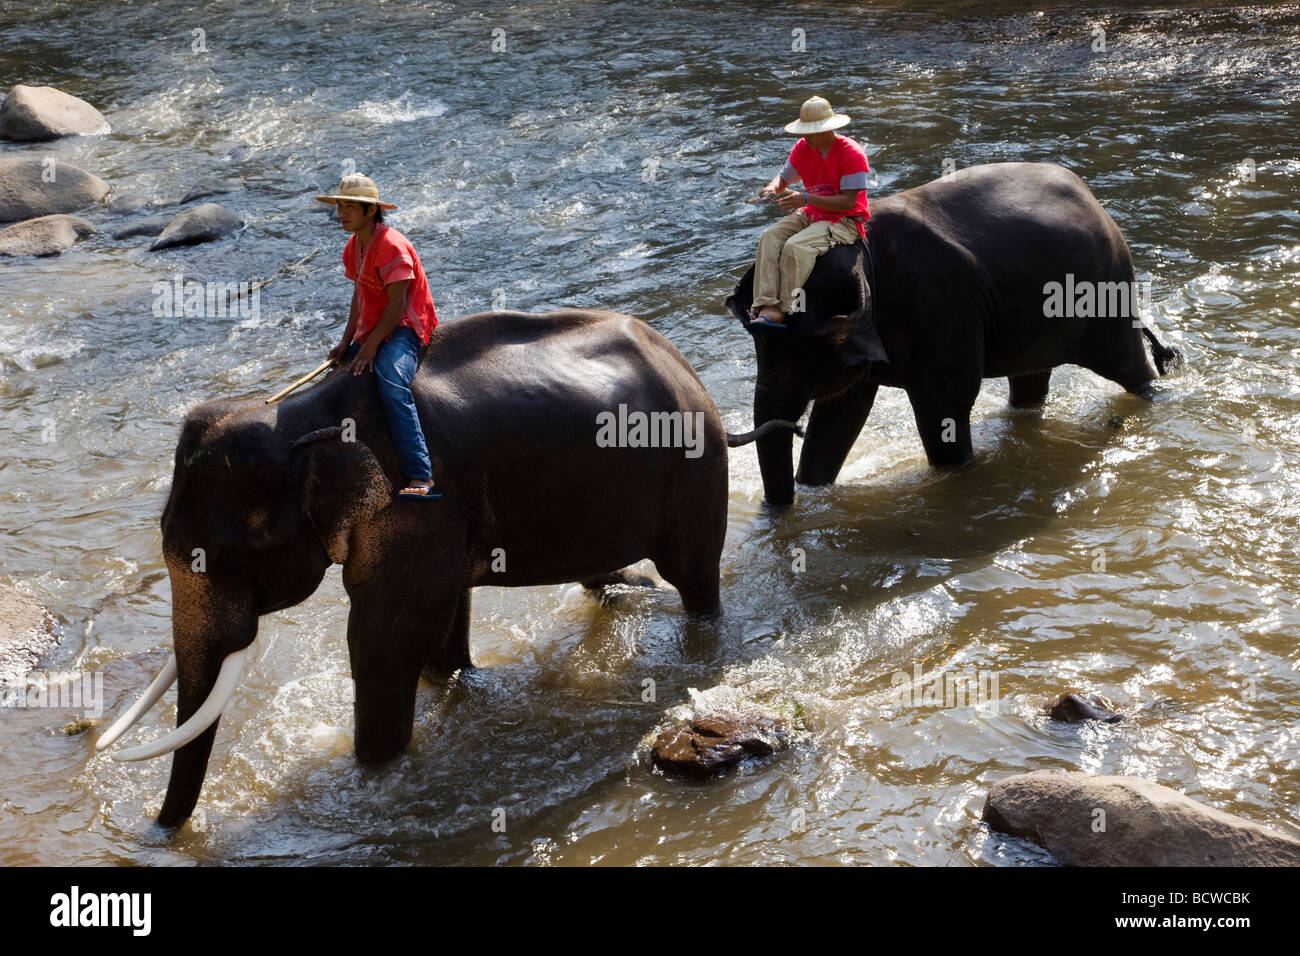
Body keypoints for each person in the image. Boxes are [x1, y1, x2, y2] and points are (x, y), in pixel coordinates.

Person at [317, 173, 442, 498]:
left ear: (370, 211)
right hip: (374, 327)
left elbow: (398, 303)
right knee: (340, 373)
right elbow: (360, 297)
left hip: (403, 327)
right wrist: (346, 342)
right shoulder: (354, 246)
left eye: (350, 207)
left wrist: (371, 346)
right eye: (340, 206)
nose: (342, 213)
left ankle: (421, 476)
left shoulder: (391, 245)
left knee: (390, 380)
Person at [750, 96, 871, 328]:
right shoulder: (803, 148)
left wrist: (804, 198)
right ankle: (765, 302)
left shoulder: (851, 153)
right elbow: (784, 178)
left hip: (844, 220)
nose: (804, 136)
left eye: (809, 131)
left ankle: (784, 309)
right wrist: (773, 188)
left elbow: (848, 202)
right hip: (813, 212)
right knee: (770, 237)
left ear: (826, 130)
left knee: (796, 247)